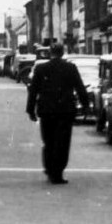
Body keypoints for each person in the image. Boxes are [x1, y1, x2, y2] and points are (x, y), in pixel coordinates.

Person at [26, 42, 89, 185]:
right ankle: (58, 172)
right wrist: (85, 105)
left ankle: (49, 169)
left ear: (50, 53)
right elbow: (80, 87)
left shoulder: (41, 68)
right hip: (65, 111)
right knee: (62, 143)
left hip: (47, 111)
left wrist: (30, 110)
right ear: (62, 53)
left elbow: (33, 90)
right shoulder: (70, 68)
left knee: (48, 141)